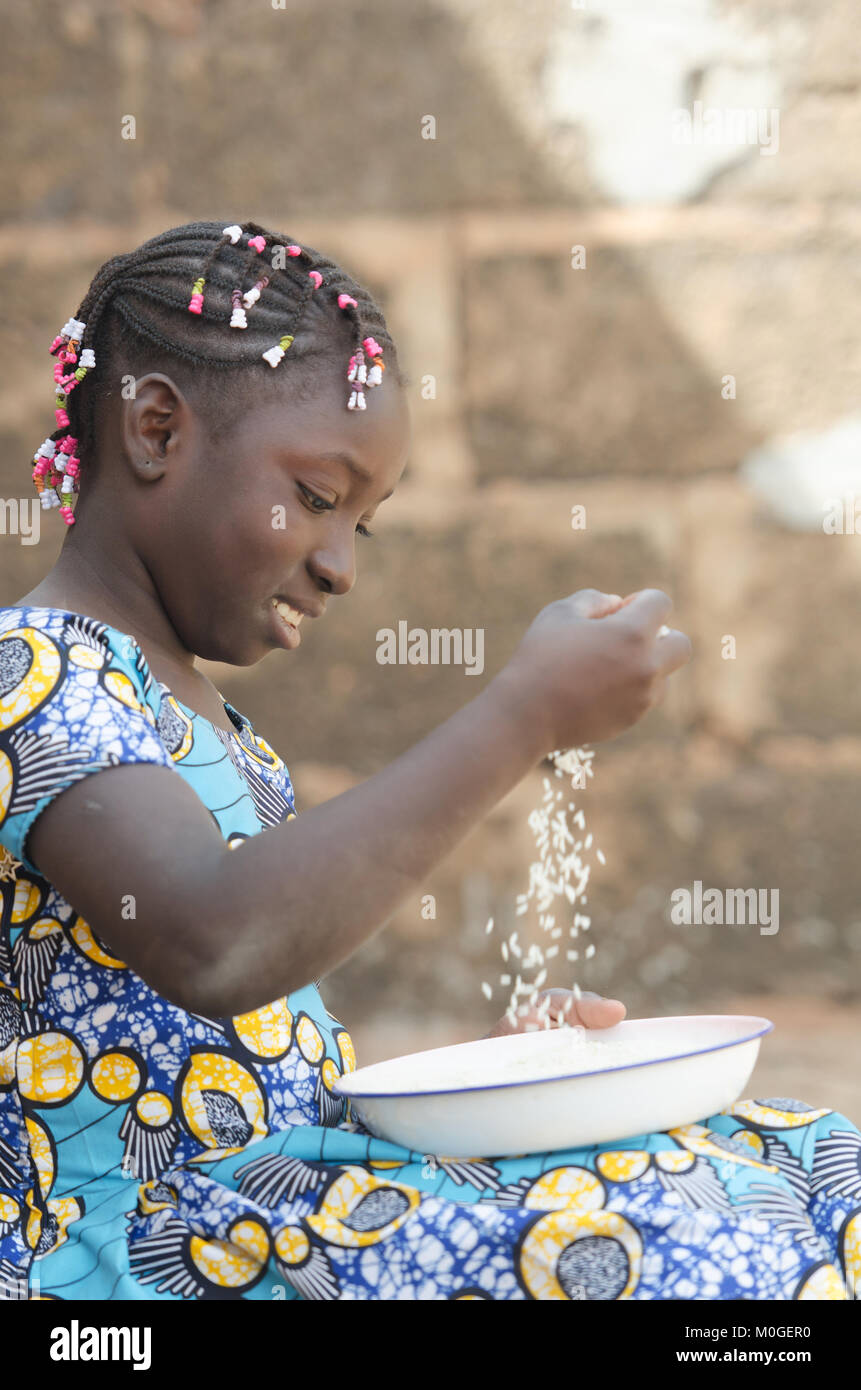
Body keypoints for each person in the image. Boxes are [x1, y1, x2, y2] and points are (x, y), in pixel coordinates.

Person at [0, 219, 856, 1301]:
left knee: (789, 1160)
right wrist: (523, 715)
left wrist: (498, 1087)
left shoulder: (210, 723)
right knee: (685, 1254)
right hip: (131, 1253)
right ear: (158, 429)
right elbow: (216, 943)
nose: (340, 566)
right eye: (317, 498)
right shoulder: (30, 671)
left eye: (368, 523)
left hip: (269, 1209)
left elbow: (253, 1047)